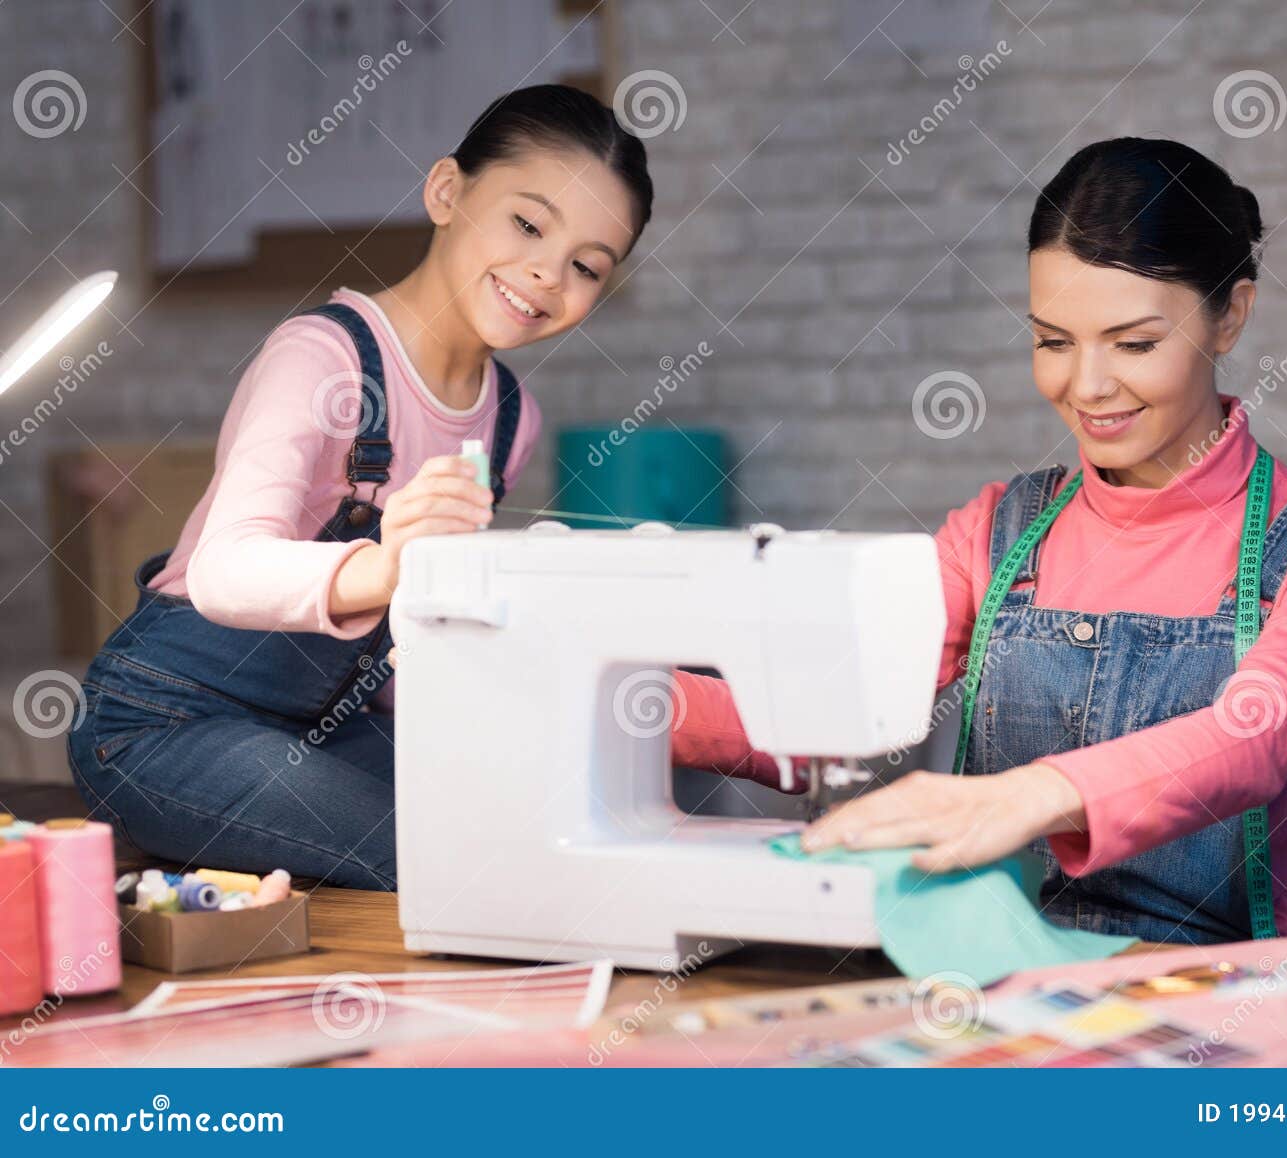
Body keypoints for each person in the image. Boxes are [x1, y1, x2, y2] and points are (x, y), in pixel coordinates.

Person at [66, 84, 768, 890]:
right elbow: (226, 570)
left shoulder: (509, 418)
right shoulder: (322, 359)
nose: (546, 271)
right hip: (165, 723)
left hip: (326, 724)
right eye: (528, 224)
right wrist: (388, 567)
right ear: (446, 191)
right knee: (443, 856)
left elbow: (400, 642)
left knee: (552, 814)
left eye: (586, 266)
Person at [756, 137, 1287, 944]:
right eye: (1054, 342)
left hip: (1218, 998)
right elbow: (841, 683)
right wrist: (640, 708)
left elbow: (1257, 734)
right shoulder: (1001, 530)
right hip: (996, 967)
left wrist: (1022, 797)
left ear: (1230, 316)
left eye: (1134, 344)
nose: (1086, 386)